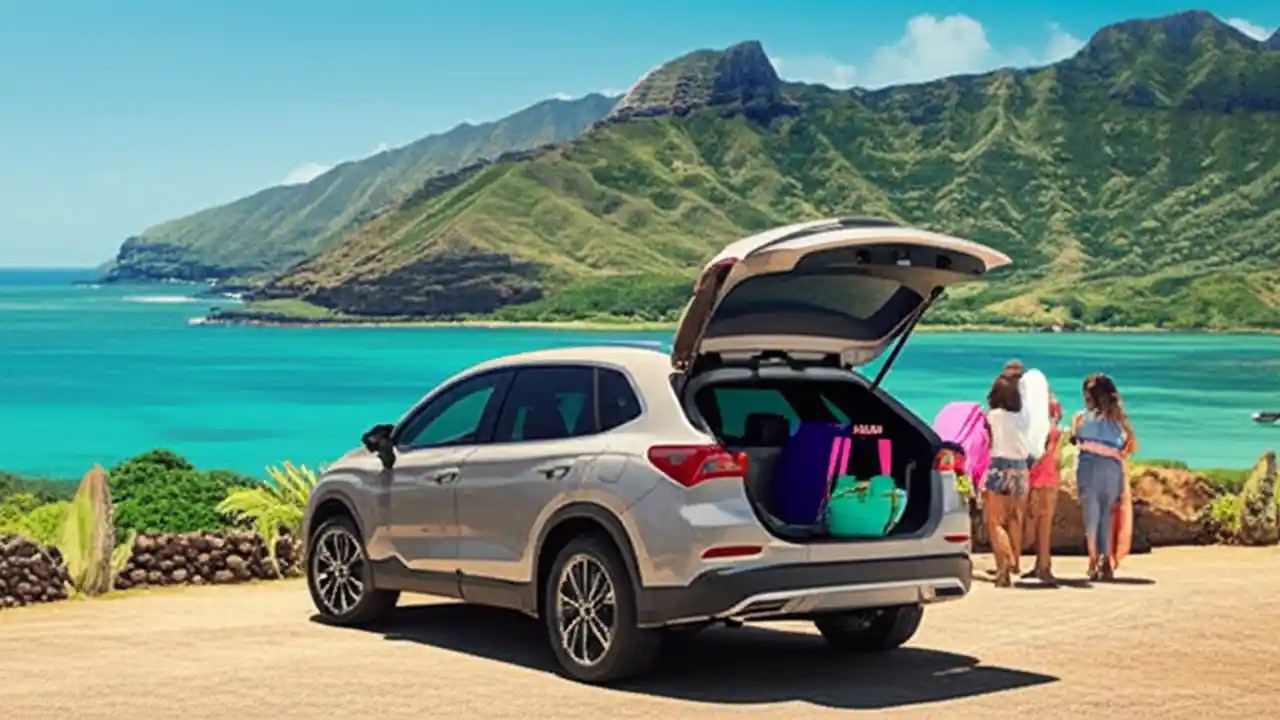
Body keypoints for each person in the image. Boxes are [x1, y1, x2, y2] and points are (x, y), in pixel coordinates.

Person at [1072, 373, 1138, 581]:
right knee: (1108, 514)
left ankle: (1093, 560)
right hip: (1112, 468)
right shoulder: (1119, 418)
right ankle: (1107, 558)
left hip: (1088, 466)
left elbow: (1074, 439)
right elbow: (1131, 445)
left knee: (1091, 515)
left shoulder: (1080, 418)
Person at [983, 373, 1031, 588]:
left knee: (995, 522)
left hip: (999, 465)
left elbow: (986, 443)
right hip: (1021, 468)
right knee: (1014, 518)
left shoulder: (992, 416)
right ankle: (1015, 563)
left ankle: (1003, 569)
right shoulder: (1024, 417)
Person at [1023, 396, 1063, 584]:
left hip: (1039, 478)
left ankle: (1044, 567)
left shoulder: (1042, 429)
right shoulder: (1054, 427)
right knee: (1043, 525)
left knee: (1041, 524)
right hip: (1050, 477)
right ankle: (1041, 565)